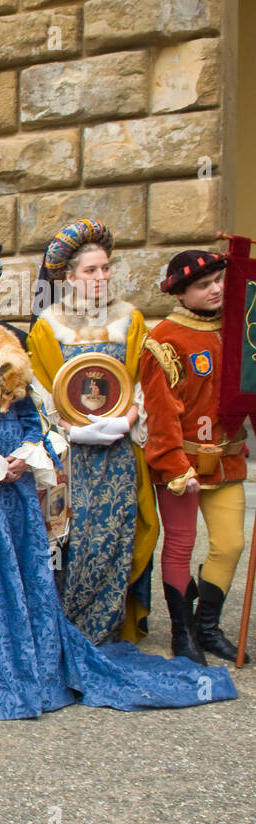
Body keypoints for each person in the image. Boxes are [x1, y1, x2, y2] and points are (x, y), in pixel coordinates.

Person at [0, 252, 234, 722]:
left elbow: (34, 414)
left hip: (12, 478)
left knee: (16, 568)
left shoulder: (6, 346)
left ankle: (27, 658)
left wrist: (26, 454)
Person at [28, 219, 157, 646]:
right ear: (68, 276)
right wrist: (70, 431)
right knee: (75, 540)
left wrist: (128, 418)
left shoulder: (130, 319)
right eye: (91, 271)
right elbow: (41, 392)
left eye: (105, 269)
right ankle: (72, 632)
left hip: (120, 454)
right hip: (73, 457)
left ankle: (111, 629)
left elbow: (143, 381)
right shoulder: (49, 326)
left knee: (119, 535)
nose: (101, 277)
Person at [140, 250, 248, 663]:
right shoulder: (165, 339)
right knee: (181, 545)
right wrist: (174, 467)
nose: (217, 288)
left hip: (228, 459)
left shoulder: (240, 329)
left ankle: (207, 628)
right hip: (181, 465)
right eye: (204, 284)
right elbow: (161, 412)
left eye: (219, 280)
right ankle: (182, 635)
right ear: (182, 292)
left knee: (230, 544)